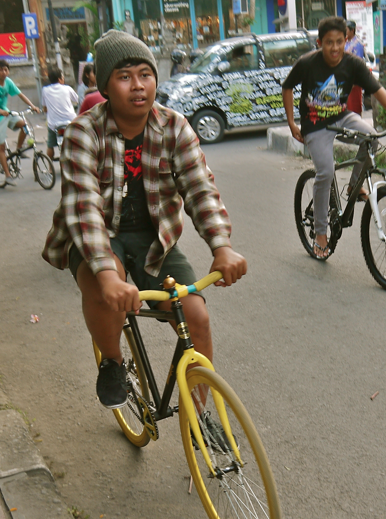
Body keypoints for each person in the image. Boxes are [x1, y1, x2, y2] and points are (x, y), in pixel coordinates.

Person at [41, 30, 247, 409]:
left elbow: (199, 189)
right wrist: (106, 276)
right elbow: (83, 208)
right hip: (96, 236)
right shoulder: (82, 133)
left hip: (156, 238)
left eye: (145, 74)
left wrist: (222, 247)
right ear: (104, 86)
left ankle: (202, 420)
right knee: (107, 293)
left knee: (196, 316)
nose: (138, 86)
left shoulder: (174, 127)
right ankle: (114, 362)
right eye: (124, 77)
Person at [282, 16, 386, 259]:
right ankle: (320, 233)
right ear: (319, 42)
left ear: (347, 39)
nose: (334, 48)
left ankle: (354, 184)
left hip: (341, 116)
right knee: (325, 171)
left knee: (372, 138)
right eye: (329, 43)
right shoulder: (307, 63)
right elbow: (287, 87)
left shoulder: (353, 63)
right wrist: (292, 123)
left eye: (340, 42)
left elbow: (378, 90)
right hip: (314, 124)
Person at [0, 59, 41, 186]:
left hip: (6, 113)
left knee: (24, 126)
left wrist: (33, 106)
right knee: (2, 147)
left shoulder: (8, 82)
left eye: (6, 70)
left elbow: (20, 95)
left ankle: (19, 149)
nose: (4, 72)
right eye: (1, 70)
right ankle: (8, 176)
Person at [42, 67, 78, 161]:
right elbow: (77, 100)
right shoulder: (67, 88)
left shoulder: (45, 90)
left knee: (50, 145)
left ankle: (50, 169)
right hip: (70, 121)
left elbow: (44, 108)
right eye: (62, 77)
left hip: (54, 124)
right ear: (59, 79)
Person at [344, 20, 365, 115]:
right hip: (345, 77)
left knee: (354, 106)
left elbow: (358, 63)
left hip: (354, 80)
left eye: (346, 29)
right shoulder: (345, 43)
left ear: (352, 30)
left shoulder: (358, 44)